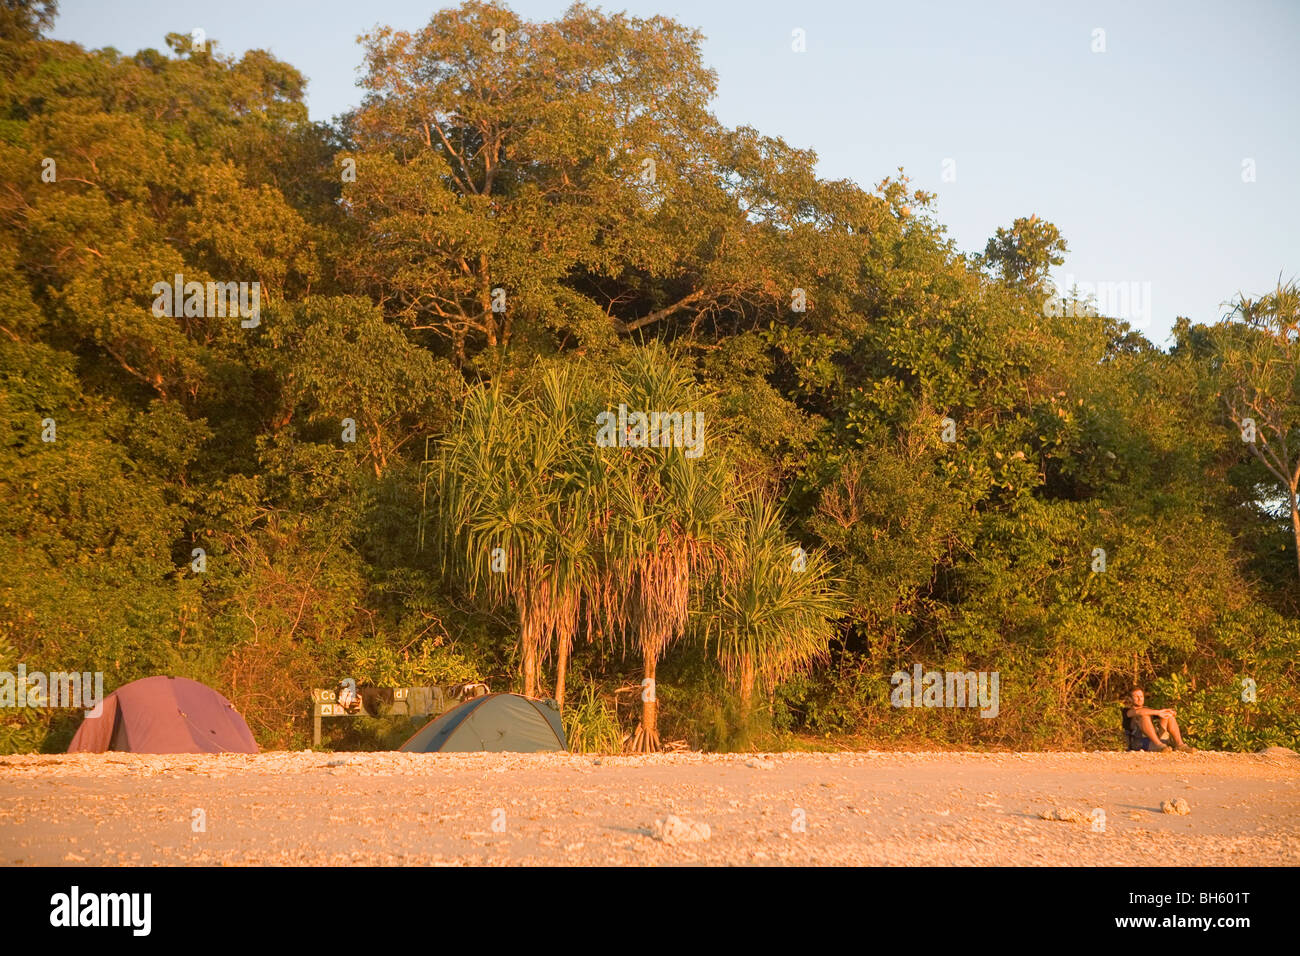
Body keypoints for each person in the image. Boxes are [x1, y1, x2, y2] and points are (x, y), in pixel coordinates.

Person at [1124, 687, 1193, 752]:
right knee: (1144, 717)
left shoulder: (1148, 709)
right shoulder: (1127, 711)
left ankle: (1180, 745)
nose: (1140, 699)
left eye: (1141, 696)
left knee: (1168, 717)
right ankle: (1158, 745)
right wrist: (1158, 712)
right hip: (1139, 743)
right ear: (1130, 699)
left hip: (1156, 741)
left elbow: (1156, 713)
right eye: (1136, 697)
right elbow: (1138, 712)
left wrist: (1168, 712)